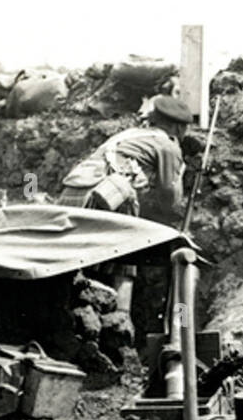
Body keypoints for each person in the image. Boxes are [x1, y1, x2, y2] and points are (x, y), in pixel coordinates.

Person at [58, 94, 194, 340]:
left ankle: (74, 317)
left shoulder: (129, 135)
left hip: (74, 194)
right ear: (176, 126)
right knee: (127, 251)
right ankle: (122, 324)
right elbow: (170, 202)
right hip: (107, 194)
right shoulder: (168, 145)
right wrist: (180, 174)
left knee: (75, 263)